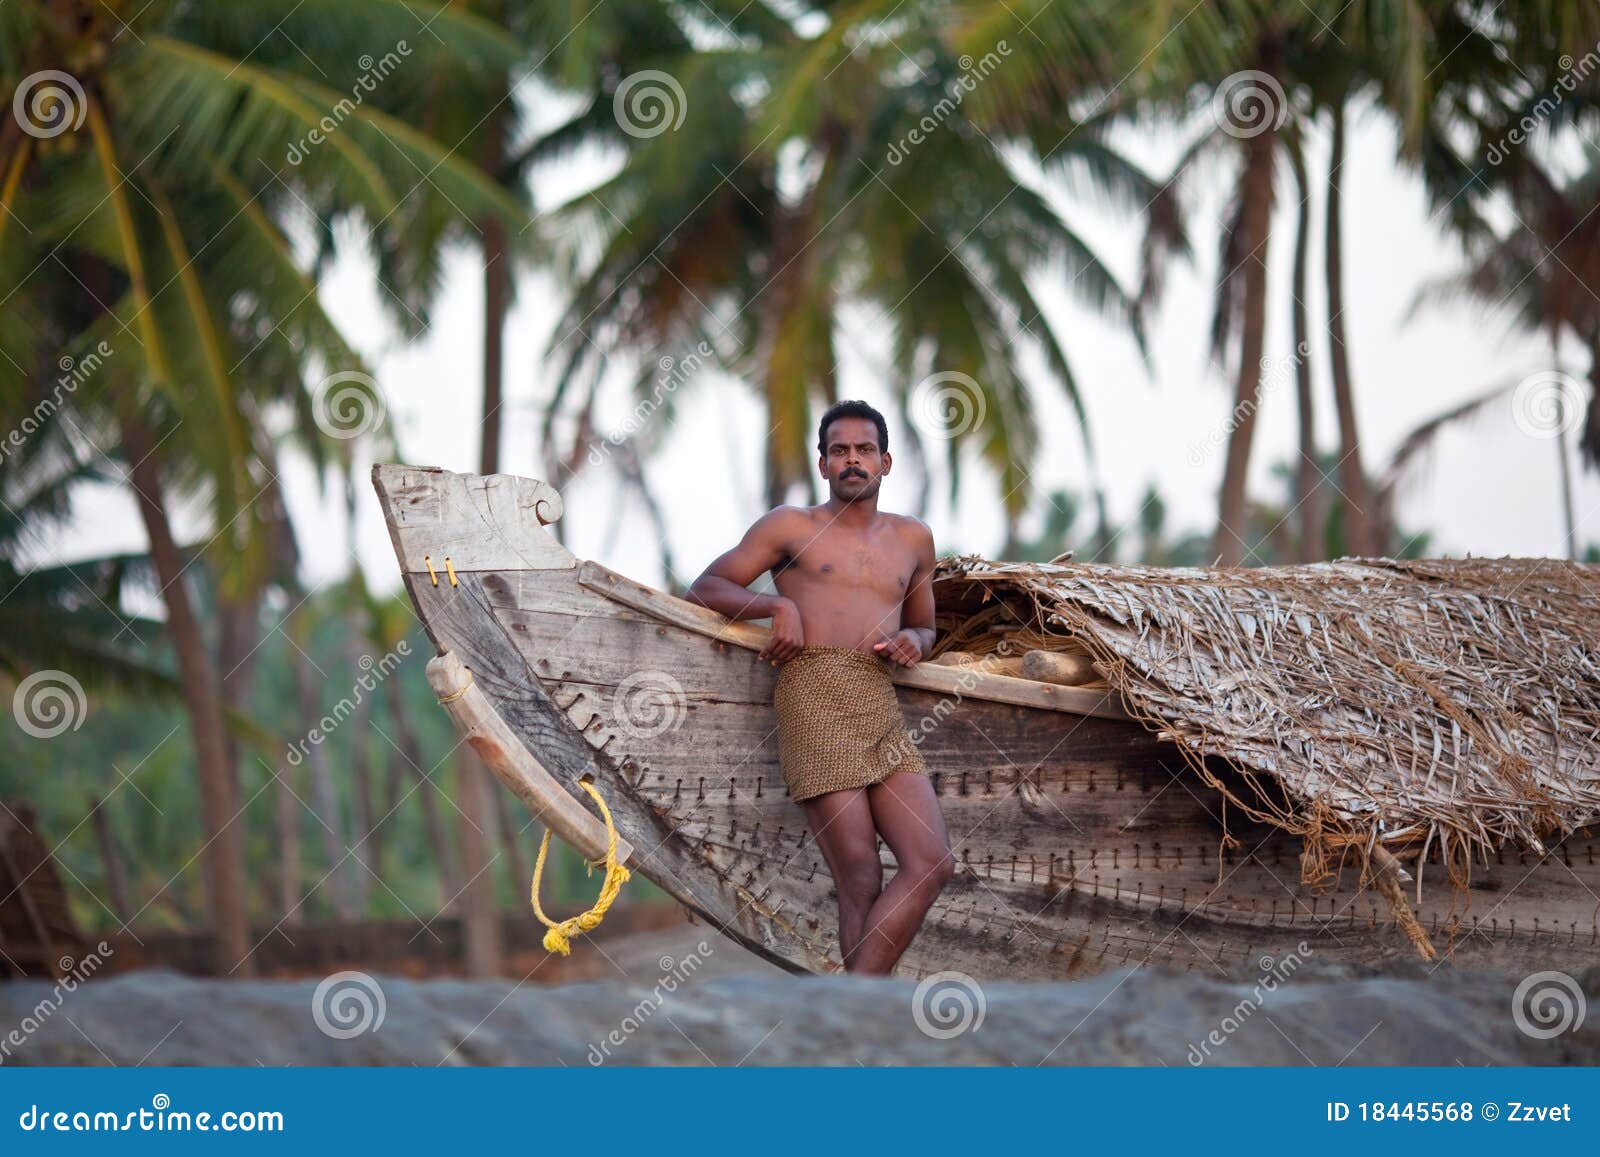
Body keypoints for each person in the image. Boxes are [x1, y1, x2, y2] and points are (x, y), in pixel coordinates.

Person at [686, 400, 955, 974]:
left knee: (931, 862)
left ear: (885, 462)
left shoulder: (914, 539)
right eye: (839, 451)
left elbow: (926, 624)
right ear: (823, 463)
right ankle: (858, 1026)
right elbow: (704, 587)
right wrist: (775, 605)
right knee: (859, 874)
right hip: (811, 688)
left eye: (863, 450)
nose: (851, 460)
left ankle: (852, 1007)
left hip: (877, 695)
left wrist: (915, 641)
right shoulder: (790, 526)